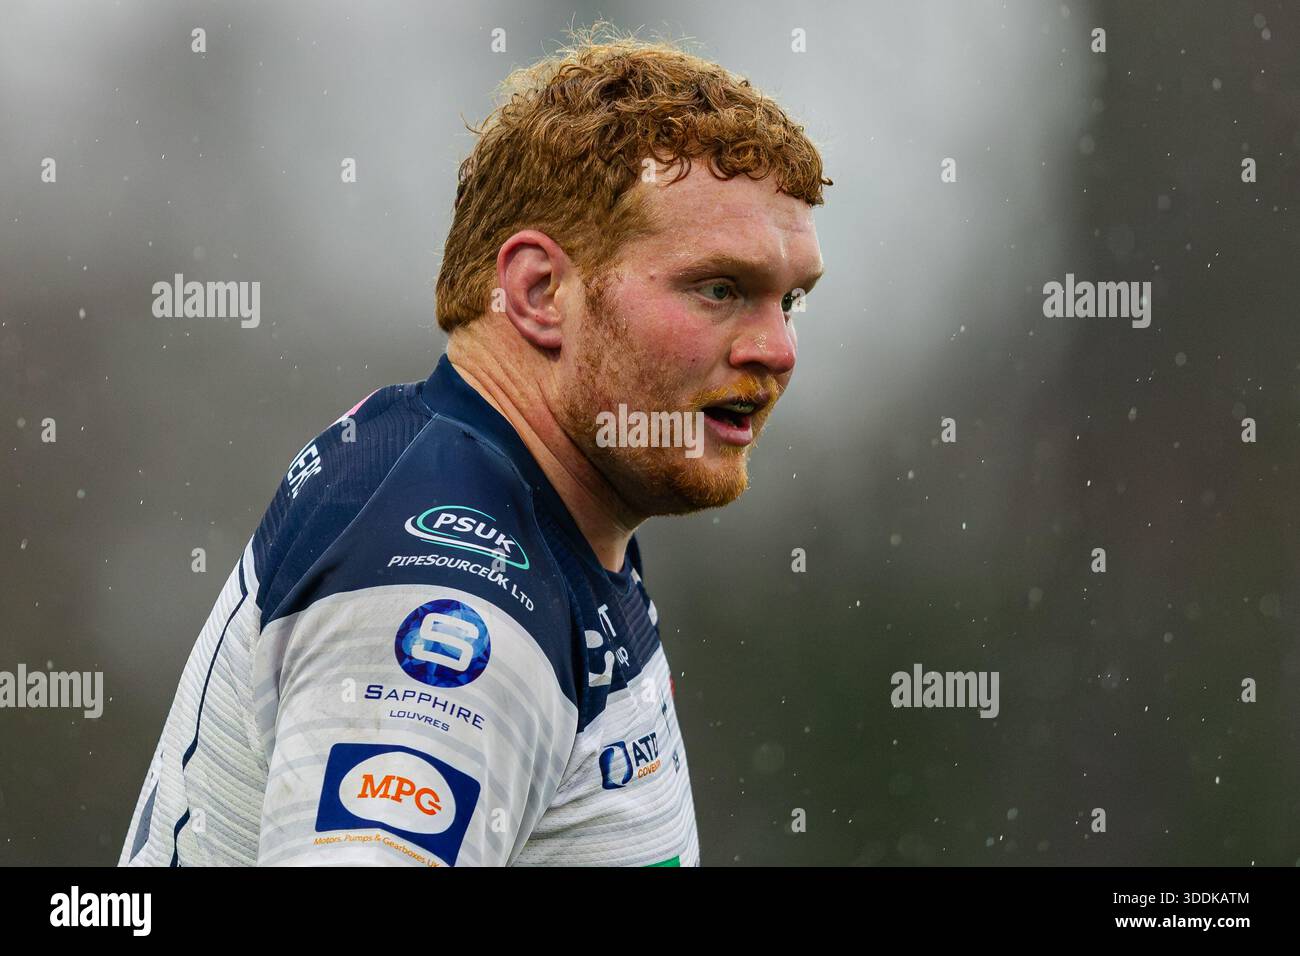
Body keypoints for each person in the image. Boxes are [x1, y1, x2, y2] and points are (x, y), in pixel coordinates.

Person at [119, 25, 829, 867]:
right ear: (538, 291)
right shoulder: (447, 594)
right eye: (721, 289)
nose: (777, 349)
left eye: (791, 301)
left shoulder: (516, 506)